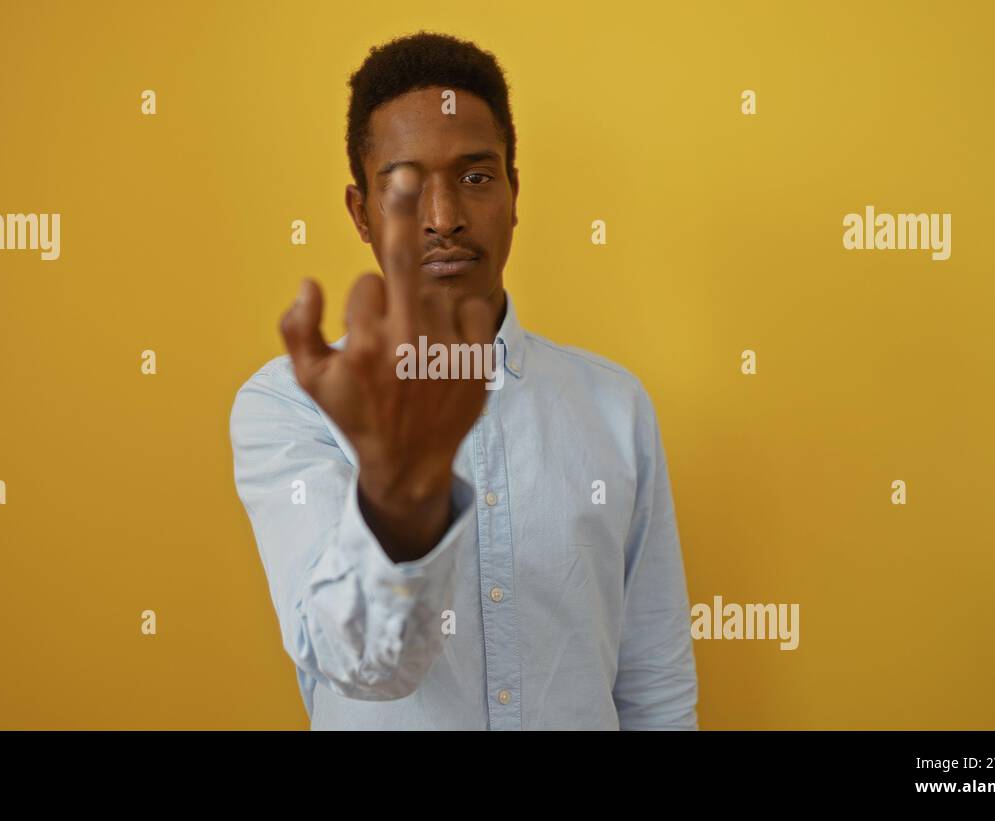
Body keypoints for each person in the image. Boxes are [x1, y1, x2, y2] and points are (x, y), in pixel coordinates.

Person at [230, 30, 697, 730]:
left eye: (476, 177)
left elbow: (654, 686)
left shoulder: (617, 406)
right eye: (405, 187)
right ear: (362, 214)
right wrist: (398, 501)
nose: (444, 219)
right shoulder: (288, 405)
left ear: (514, 193)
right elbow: (357, 664)